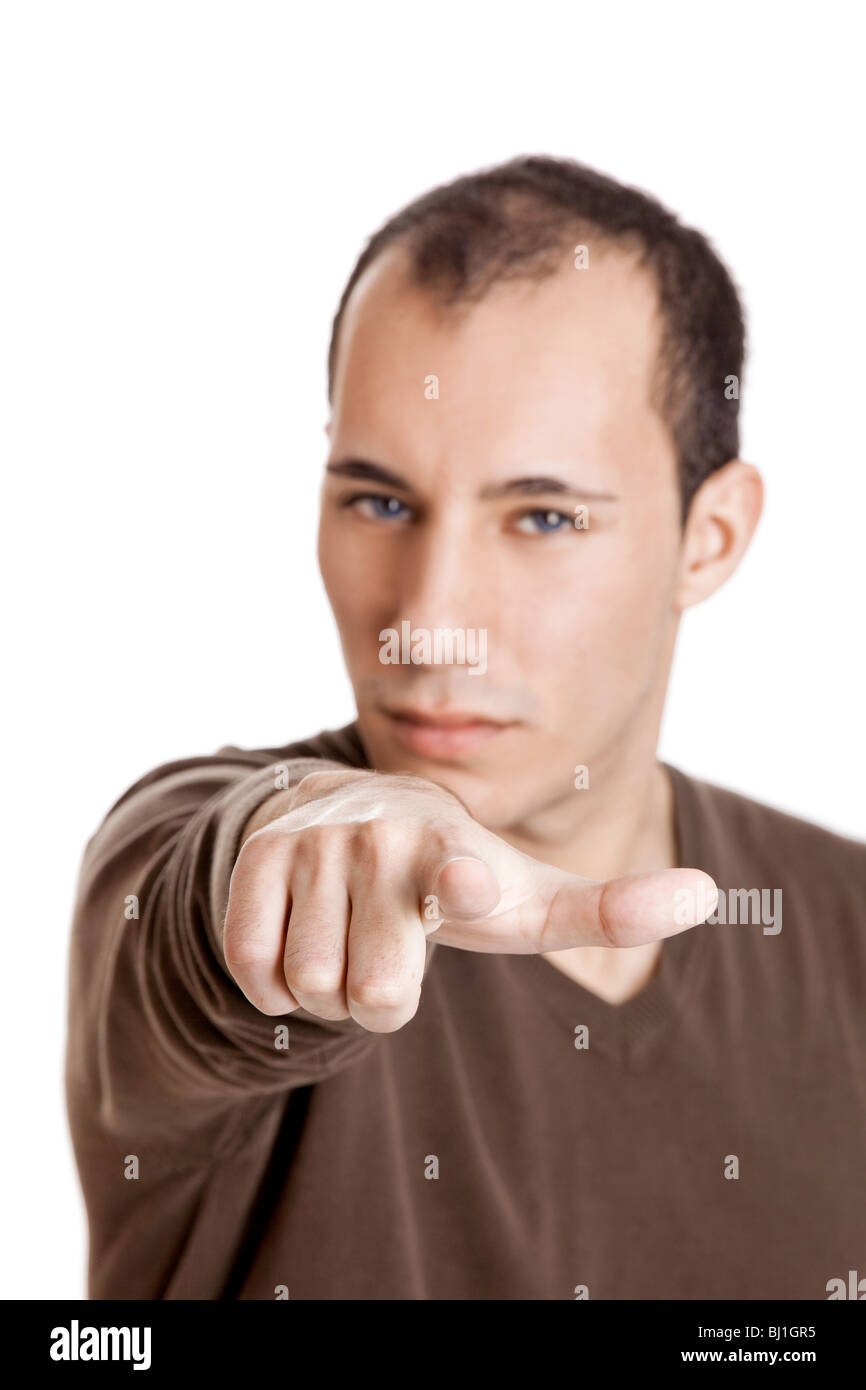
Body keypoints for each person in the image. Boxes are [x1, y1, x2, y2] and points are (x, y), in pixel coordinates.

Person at [66, 154, 866, 1301]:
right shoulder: (206, 858)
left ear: (711, 535)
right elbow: (190, 928)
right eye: (377, 501)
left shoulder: (844, 923)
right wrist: (282, 853)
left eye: (541, 516)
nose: (427, 622)